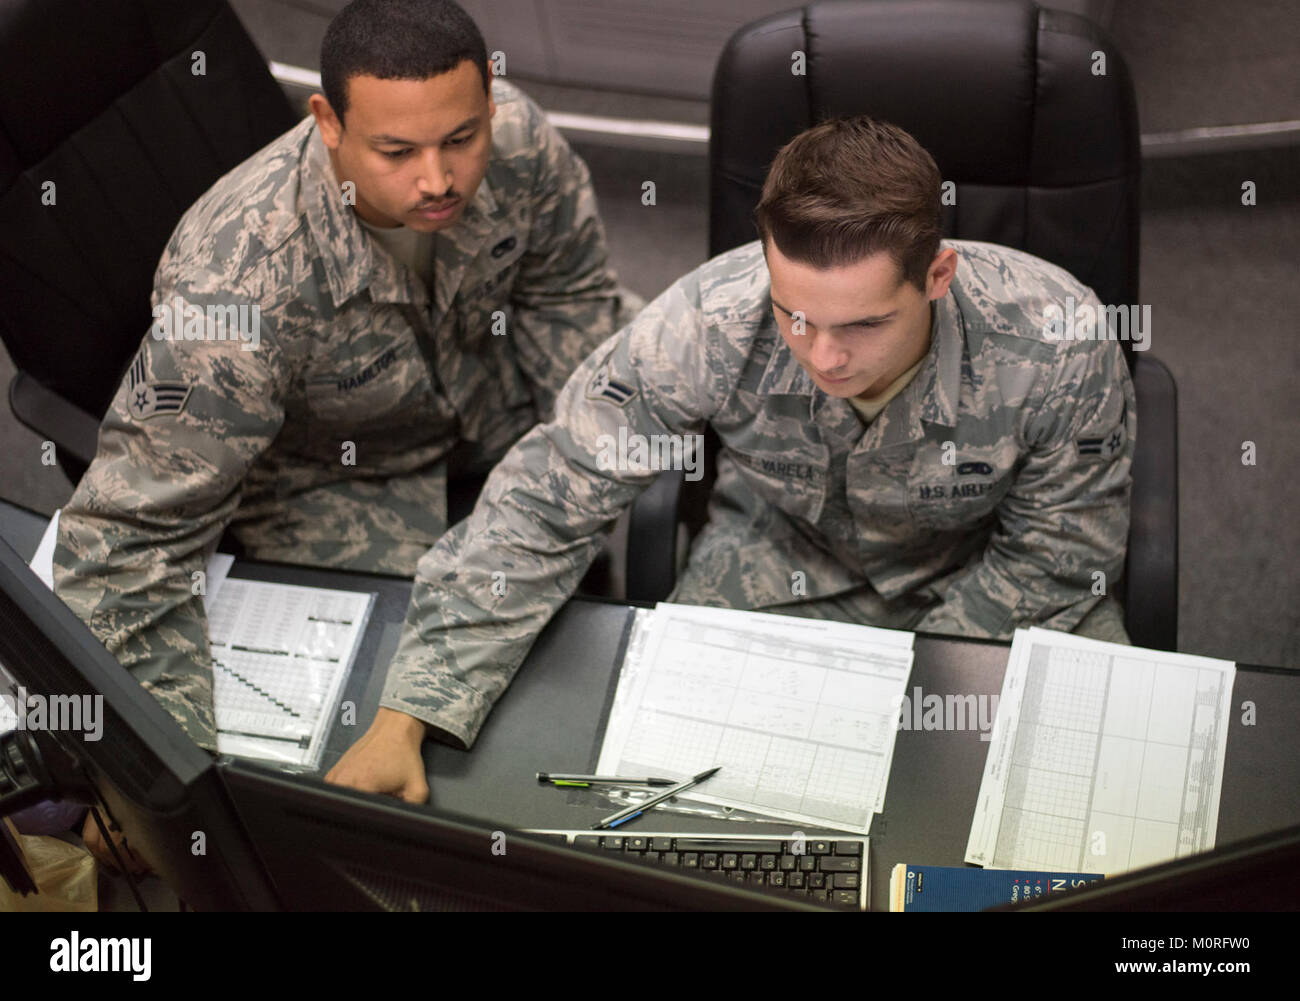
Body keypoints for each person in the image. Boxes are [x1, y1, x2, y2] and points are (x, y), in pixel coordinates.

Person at [330, 113, 1136, 804]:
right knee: (672, 807)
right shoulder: (711, 319)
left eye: (861, 325)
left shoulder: (1057, 339)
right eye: (795, 315)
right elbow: (552, 492)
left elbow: (1062, 553)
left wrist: (902, 692)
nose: (823, 356)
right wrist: (412, 708)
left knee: (1072, 808)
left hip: (989, 579)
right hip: (778, 560)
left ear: (936, 274)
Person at [53, 0, 639, 807]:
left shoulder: (520, 141)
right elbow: (127, 547)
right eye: (396, 151)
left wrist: (569, 463)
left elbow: (572, 299)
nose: (438, 180)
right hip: (340, 482)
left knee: (576, 656)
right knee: (417, 752)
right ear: (327, 122)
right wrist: (178, 793)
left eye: (461, 139)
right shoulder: (238, 285)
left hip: (497, 408)